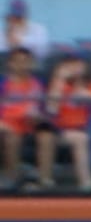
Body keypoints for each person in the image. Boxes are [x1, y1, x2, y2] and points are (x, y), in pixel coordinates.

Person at [45, 51, 91, 192]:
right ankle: (86, 182)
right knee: (80, 138)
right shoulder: (58, 86)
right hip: (63, 129)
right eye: (71, 64)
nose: (75, 67)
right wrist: (60, 81)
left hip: (90, 127)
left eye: (79, 64)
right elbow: (51, 110)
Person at [0, 47, 54, 188]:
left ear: (32, 64)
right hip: (7, 124)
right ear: (10, 64)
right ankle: (12, 177)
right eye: (18, 61)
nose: (22, 65)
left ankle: (45, 180)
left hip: (30, 123)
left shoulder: (39, 84)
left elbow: (46, 109)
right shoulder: (2, 83)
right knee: (12, 135)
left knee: (47, 136)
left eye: (26, 61)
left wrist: (39, 117)